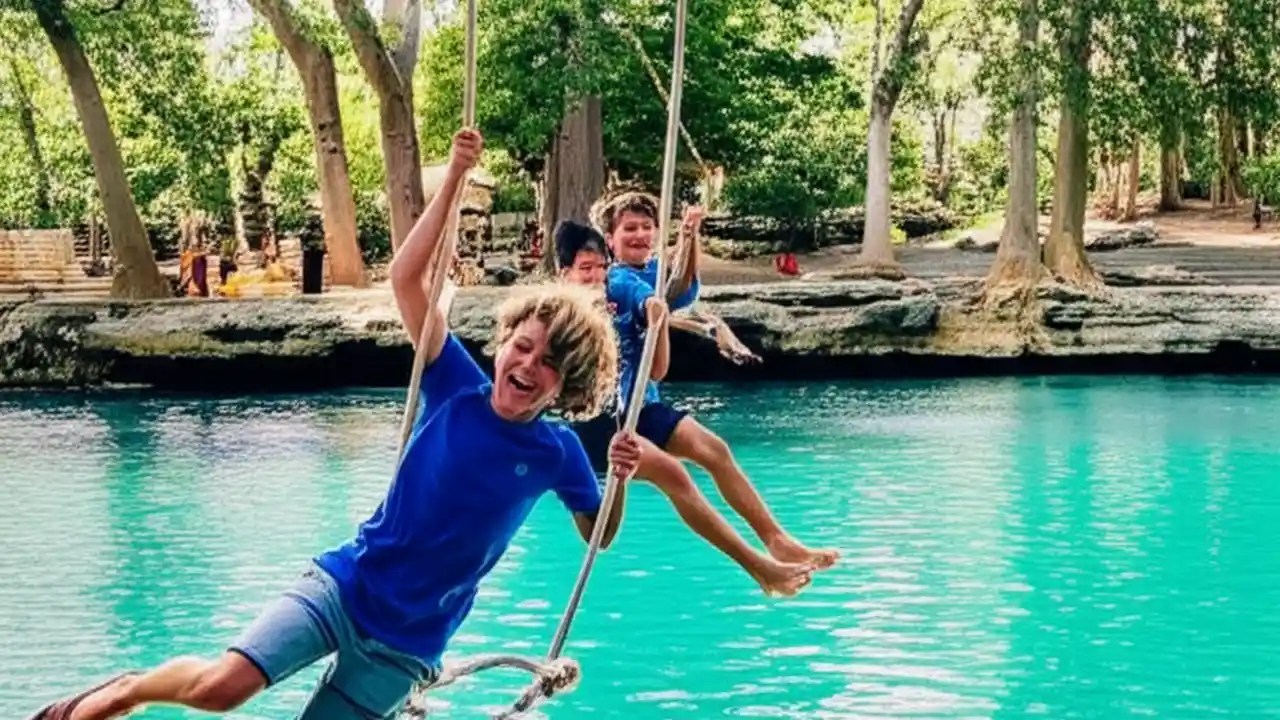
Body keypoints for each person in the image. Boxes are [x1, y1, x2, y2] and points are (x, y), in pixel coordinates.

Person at [30, 128, 642, 720]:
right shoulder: (455, 382)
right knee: (223, 688)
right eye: (525, 347)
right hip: (347, 587)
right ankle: (123, 693)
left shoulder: (556, 451)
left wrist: (619, 481)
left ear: (569, 386)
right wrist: (453, 177)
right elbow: (406, 279)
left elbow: (599, 535)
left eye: (552, 365)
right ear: (504, 341)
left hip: (409, 645)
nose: (530, 367)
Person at [556, 220, 814, 597]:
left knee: (714, 450)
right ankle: (759, 568)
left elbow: (657, 367)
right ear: (564, 275)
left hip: (636, 408)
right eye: (585, 269)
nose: (596, 276)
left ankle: (775, 540)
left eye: (600, 268)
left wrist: (659, 321)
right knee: (674, 475)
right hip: (592, 424)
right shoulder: (562, 313)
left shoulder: (617, 298)